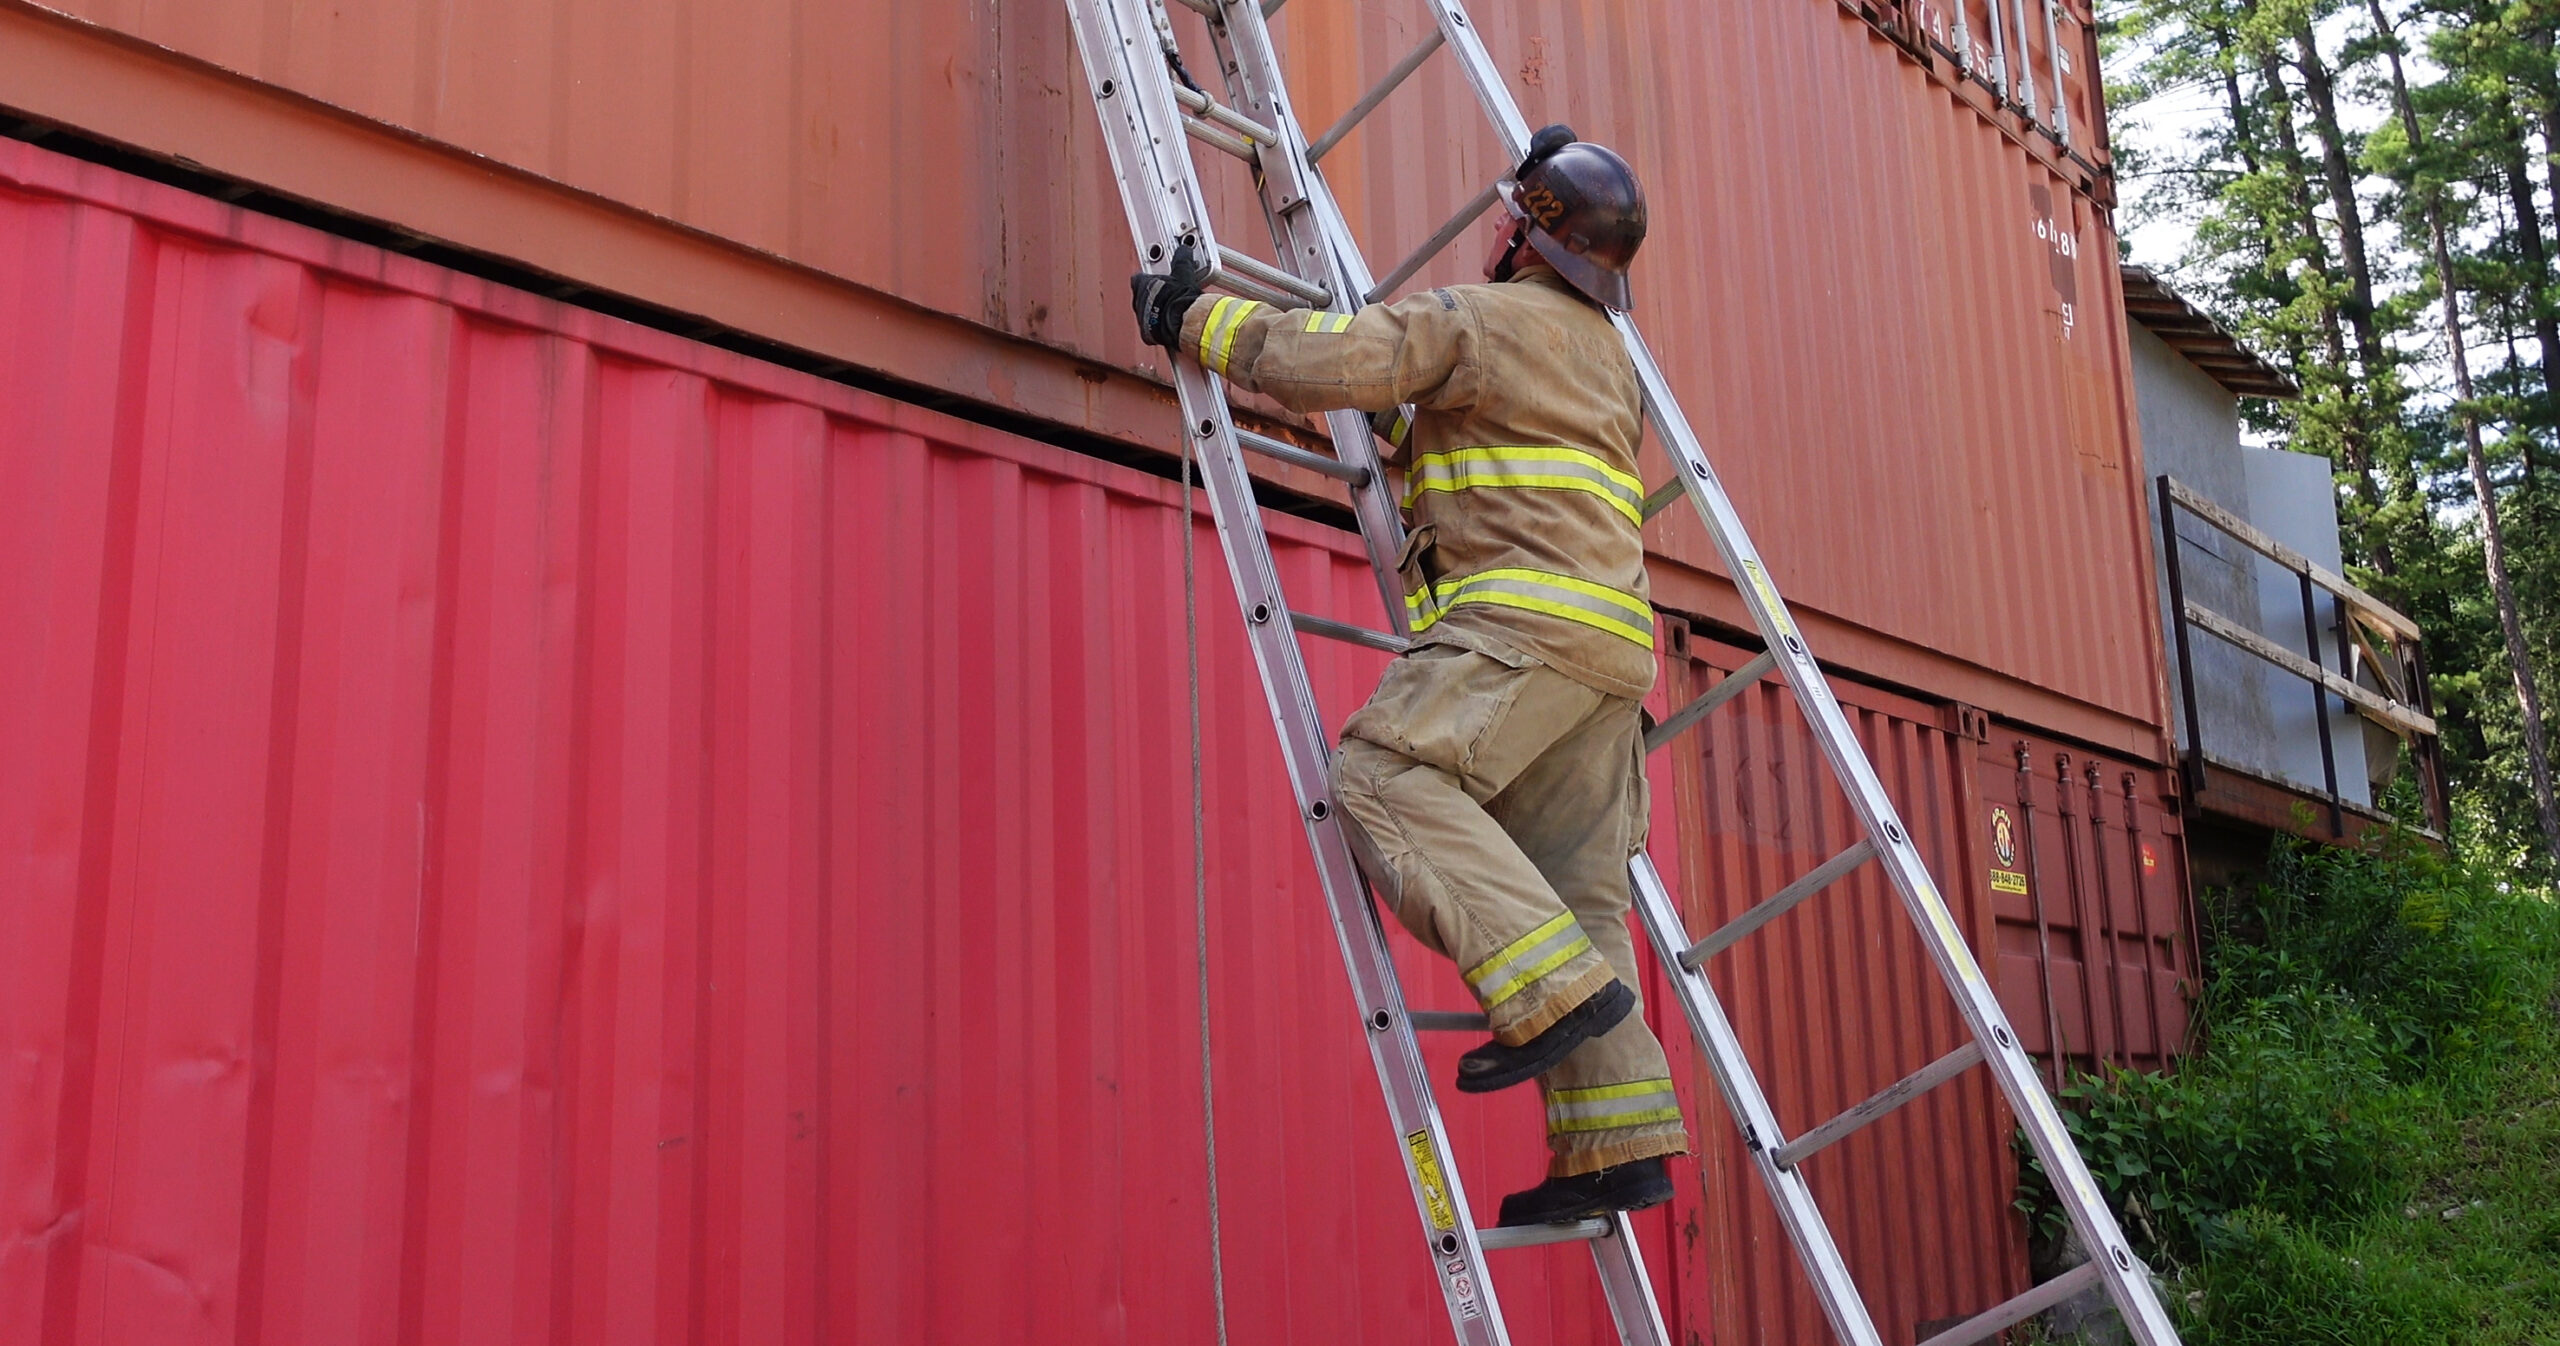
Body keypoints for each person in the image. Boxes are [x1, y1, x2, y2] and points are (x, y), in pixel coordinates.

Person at [1130, 126, 1687, 1225]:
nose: (1495, 229)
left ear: (1530, 234)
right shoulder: (1610, 364)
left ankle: (1546, 995)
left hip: (1520, 628)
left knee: (1382, 771)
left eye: (1510, 216)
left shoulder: (1473, 319)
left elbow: (1331, 361)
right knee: (1579, 889)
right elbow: (1439, 431)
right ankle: (1618, 1140)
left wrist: (1193, 314)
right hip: (1615, 658)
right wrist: (1399, 419)